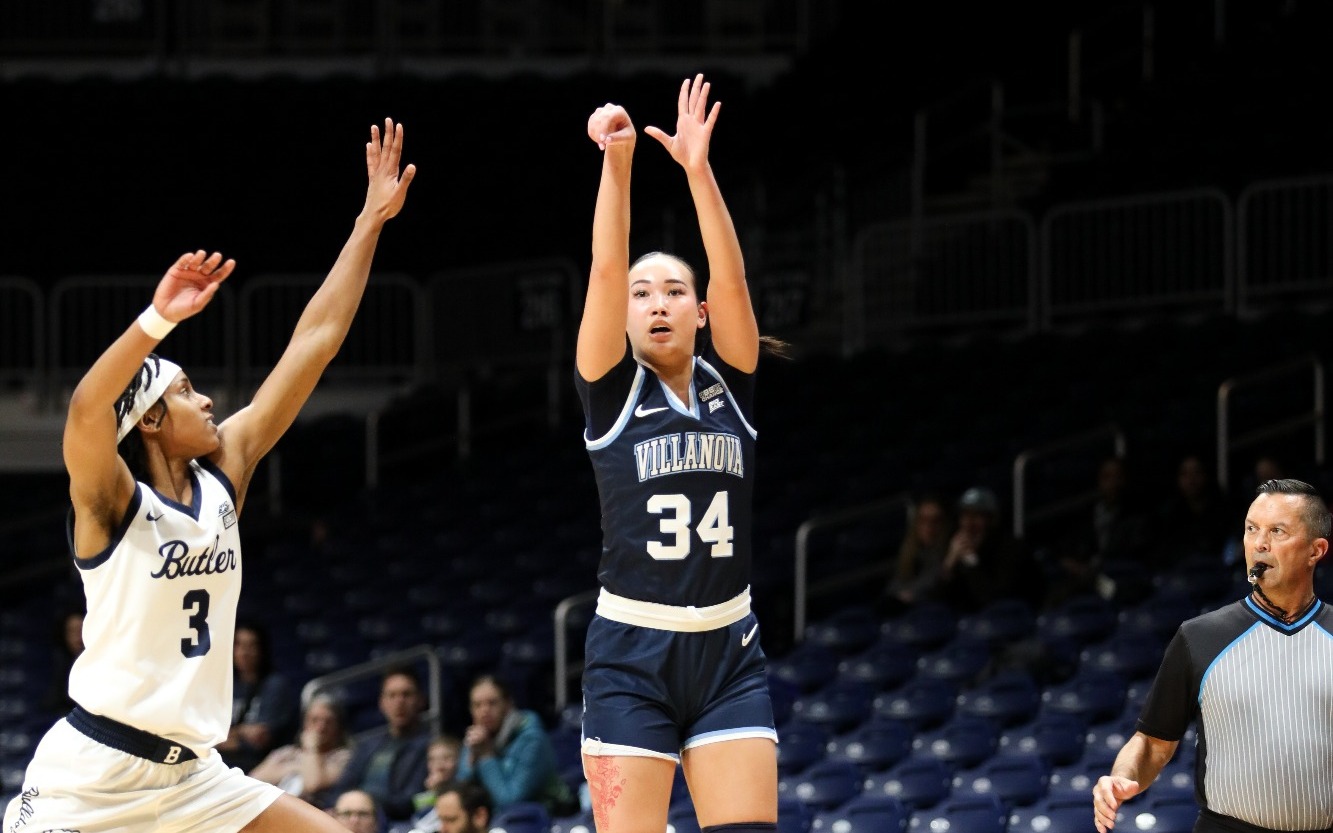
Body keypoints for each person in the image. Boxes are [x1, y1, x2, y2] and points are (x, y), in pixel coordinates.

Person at [0, 117, 415, 833]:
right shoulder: (109, 501)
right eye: (187, 390)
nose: (208, 399)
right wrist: (157, 320)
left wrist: (368, 221)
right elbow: (85, 410)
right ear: (150, 421)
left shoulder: (225, 473)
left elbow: (312, 345)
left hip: (195, 775)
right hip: (94, 774)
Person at [576, 74, 779, 833]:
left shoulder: (733, 383)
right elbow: (602, 268)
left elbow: (730, 275)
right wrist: (619, 161)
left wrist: (697, 170)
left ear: (699, 313)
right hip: (631, 651)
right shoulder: (609, 389)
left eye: (671, 290)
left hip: (729, 647)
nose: (655, 301)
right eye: (641, 293)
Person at [1093, 478, 1333, 833]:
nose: (1259, 544)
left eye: (1277, 531)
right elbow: (1152, 743)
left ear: (1316, 550)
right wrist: (1119, 778)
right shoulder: (1199, 636)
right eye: (1252, 529)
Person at [454, 674, 571, 814]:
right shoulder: (478, 739)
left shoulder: (532, 740)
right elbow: (460, 795)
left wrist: (486, 756)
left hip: (538, 819)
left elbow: (511, 801)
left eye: (492, 703)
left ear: (508, 704)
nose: (484, 711)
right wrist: (472, 761)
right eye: (477, 705)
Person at [328, 666, 431, 822]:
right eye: (392, 695)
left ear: (420, 700)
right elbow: (341, 788)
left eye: (406, 694)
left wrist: (363, 805)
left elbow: (410, 801)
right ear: (382, 703)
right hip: (352, 815)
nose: (399, 702)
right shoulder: (367, 745)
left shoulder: (429, 746)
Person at [938, 486, 1041, 612]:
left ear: (991, 519)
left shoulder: (1011, 548)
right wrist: (949, 564)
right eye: (965, 515)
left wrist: (971, 560)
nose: (968, 524)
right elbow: (936, 602)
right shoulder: (958, 549)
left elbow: (995, 601)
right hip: (969, 624)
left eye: (976, 516)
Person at [218, 619, 297, 772]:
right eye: (239, 645)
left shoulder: (275, 685)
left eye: (251, 646)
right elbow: (211, 736)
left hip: (262, 764)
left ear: (262, 650)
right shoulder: (224, 684)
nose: (244, 652)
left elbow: (261, 739)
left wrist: (232, 734)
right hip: (222, 761)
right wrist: (243, 732)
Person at [250, 694, 353, 807]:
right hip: (273, 809)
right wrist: (295, 768)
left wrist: (311, 748)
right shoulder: (287, 752)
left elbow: (313, 784)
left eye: (328, 722)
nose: (321, 727)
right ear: (305, 723)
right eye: (314, 720)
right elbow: (253, 778)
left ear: (338, 727)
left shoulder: (343, 757)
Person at [880, 493, 952, 613]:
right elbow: (893, 588)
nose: (929, 526)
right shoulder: (910, 552)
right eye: (923, 520)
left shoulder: (950, 552)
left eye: (935, 520)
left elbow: (934, 586)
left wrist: (911, 593)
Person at [406, 733, 462, 833]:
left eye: (447, 758)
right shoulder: (424, 787)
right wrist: (431, 792)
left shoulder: (462, 785)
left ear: (459, 760)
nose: (440, 764)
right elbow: (421, 821)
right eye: (433, 759)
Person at [39, 602, 86, 721]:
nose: (77, 637)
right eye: (72, 631)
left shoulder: (100, 664)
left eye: (80, 630)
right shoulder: (57, 664)